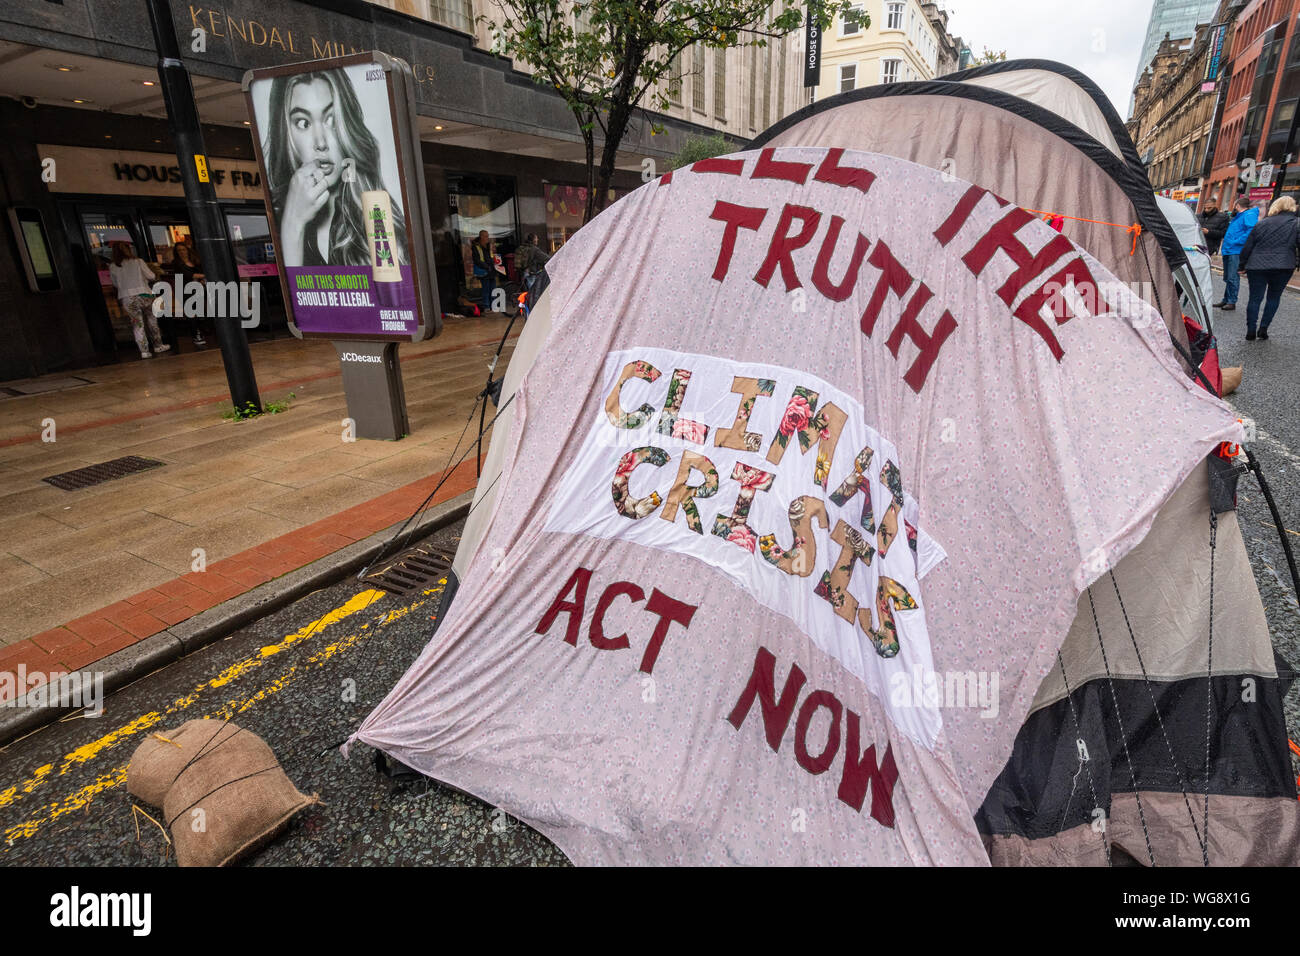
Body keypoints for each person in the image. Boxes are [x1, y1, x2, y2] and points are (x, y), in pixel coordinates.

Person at [262, 68, 406, 268]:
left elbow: (396, 295)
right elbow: (292, 298)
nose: (321, 143)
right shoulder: (275, 216)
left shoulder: (374, 208)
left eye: (331, 120)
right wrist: (292, 226)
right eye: (303, 123)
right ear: (285, 133)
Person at [1238, 194, 1300, 340]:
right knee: (1274, 298)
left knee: (1254, 298)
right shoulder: (1296, 223)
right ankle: (1263, 329)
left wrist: (1242, 265)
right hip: (1284, 265)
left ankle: (1251, 330)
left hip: (1257, 265)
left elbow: (1248, 246)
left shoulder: (1262, 223)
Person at [108, 242, 169, 359]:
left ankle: (144, 351)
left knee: (137, 324)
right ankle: (158, 345)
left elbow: (115, 284)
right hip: (144, 293)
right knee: (151, 319)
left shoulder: (113, 266)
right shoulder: (138, 261)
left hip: (127, 297)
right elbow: (151, 276)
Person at [1217, 196, 1259, 310]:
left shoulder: (1248, 215)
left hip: (1235, 250)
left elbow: (1251, 231)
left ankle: (1231, 301)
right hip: (1230, 249)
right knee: (1229, 276)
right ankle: (1226, 299)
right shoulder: (1240, 216)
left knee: (1233, 277)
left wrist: (1236, 242)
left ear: (1237, 205)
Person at [170, 241, 207, 347]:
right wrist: (204, 276)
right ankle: (196, 335)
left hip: (198, 289)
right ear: (176, 252)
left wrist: (202, 279)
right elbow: (188, 274)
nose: (182, 252)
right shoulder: (176, 263)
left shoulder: (195, 261)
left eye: (183, 249)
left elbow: (199, 272)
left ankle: (202, 332)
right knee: (191, 314)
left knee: (200, 312)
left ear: (187, 250)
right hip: (185, 291)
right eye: (179, 250)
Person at [514, 232, 550, 311]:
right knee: (534, 292)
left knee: (530, 290)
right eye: (536, 238)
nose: (538, 239)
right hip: (531, 273)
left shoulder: (522, 247)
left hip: (524, 271)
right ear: (533, 240)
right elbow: (545, 257)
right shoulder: (534, 249)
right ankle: (534, 309)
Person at [471, 230, 496, 314]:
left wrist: (495, 263)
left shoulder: (489, 246)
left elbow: (491, 257)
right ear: (481, 237)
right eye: (485, 236)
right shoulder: (476, 247)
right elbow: (477, 260)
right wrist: (486, 266)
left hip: (491, 270)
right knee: (486, 289)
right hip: (484, 271)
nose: (487, 238)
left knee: (493, 289)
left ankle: (493, 306)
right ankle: (486, 307)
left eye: (488, 236)